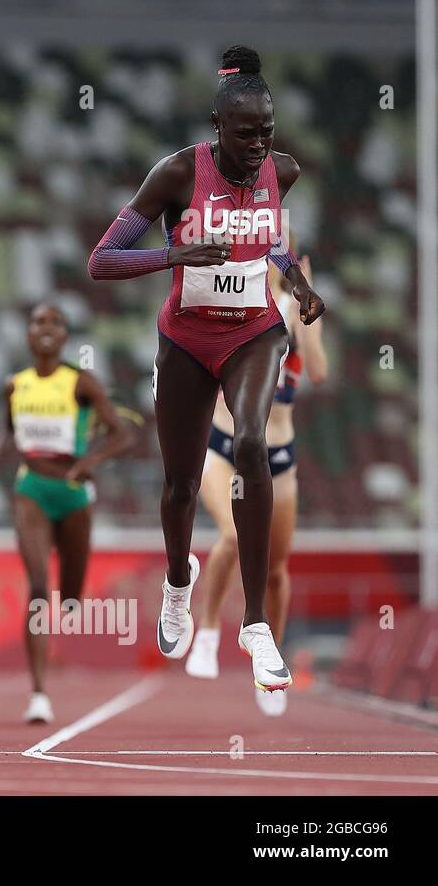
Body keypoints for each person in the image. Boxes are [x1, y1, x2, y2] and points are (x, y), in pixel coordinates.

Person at [88, 46, 325, 696]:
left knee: (251, 440)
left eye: (266, 133)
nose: (258, 145)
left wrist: (298, 285)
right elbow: (101, 261)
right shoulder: (174, 175)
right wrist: (176, 251)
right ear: (216, 125)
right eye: (245, 133)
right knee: (180, 487)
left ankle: (255, 626)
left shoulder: (283, 171)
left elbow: (270, 236)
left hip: (253, 333)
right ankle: (177, 582)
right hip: (186, 341)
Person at [186, 254, 328, 715]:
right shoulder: (227, 296)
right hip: (224, 444)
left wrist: (306, 317)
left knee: (275, 570)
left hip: (278, 455)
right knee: (233, 534)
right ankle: (206, 631)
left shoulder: (296, 306)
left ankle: (268, 660)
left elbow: (320, 372)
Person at [0, 304, 133, 723]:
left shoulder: (81, 382)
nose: (45, 329)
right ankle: (39, 693)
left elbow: (122, 434)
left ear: (65, 336)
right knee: (38, 587)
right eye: (37, 323)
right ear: (27, 335)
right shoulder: (16, 385)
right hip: (32, 489)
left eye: (55, 323)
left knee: (70, 594)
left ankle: (69, 606)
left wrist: (88, 464)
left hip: (74, 492)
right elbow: (10, 428)